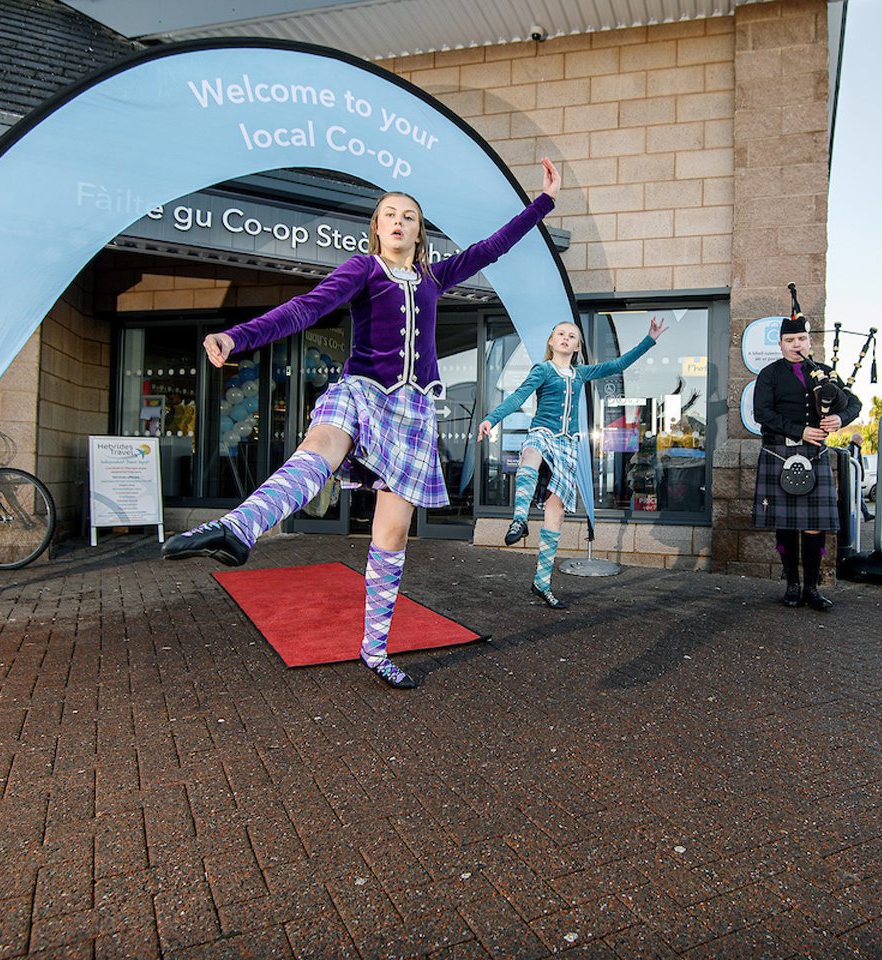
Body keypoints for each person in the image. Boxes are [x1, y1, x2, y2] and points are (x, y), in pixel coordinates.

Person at [163, 159, 564, 688]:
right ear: (376, 228)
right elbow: (304, 309)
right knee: (319, 448)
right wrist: (238, 337)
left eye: (410, 217)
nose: (399, 222)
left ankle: (375, 650)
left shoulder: (435, 276)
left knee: (392, 533)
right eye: (390, 215)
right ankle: (240, 528)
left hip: (414, 410)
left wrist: (543, 203)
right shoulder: (363, 269)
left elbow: (492, 248)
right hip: (362, 392)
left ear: (420, 233)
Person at [476, 317, 666, 609]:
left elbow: (616, 365)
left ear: (576, 347)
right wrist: (491, 418)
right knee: (530, 452)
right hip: (543, 433)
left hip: (567, 444)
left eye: (572, 336)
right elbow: (519, 397)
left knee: (557, 510)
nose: (566, 338)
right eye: (561, 334)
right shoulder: (542, 369)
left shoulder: (579, 374)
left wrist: (649, 339)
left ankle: (541, 582)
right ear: (551, 343)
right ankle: (519, 520)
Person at [752, 310, 862, 610]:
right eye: (790, 340)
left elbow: (854, 403)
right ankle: (792, 586)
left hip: (815, 455)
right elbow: (762, 414)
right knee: (786, 526)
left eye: (801, 338)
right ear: (781, 344)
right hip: (780, 452)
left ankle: (812, 589)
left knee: (814, 526)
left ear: (809, 341)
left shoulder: (826, 373)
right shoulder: (770, 375)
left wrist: (840, 417)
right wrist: (801, 430)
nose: (796, 344)